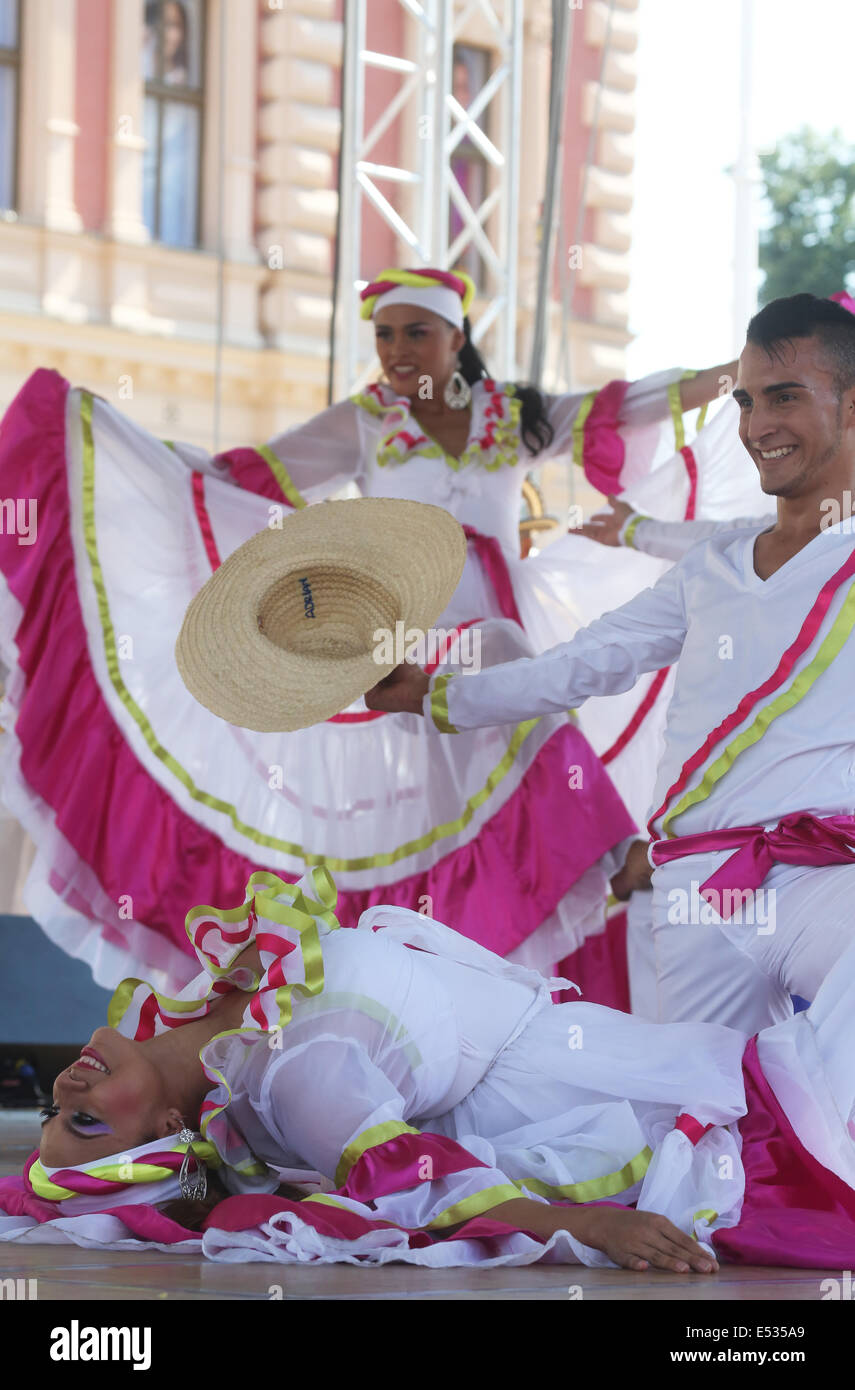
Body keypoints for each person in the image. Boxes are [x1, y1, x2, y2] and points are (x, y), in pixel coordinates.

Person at [0, 267, 740, 999]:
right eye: (384, 335)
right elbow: (245, 475)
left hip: (493, 628)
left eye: (415, 332)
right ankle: (420, 973)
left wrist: (734, 374)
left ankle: (599, 862)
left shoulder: (512, 413)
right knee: (438, 814)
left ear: (456, 337)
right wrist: (135, 454)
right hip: (396, 645)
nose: (397, 349)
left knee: (510, 683)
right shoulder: (364, 422)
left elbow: (621, 405)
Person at [367, 293, 855, 1033]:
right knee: (700, 1118)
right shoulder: (713, 565)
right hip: (698, 887)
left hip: (824, 878)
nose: (757, 426)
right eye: (747, 402)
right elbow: (583, 661)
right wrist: (437, 697)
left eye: (785, 398)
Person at [3, 865, 855, 1271]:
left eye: (53, 1103)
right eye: (84, 1120)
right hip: (591, 1101)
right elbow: (417, 1181)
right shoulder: (293, 1076)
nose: (68, 1087)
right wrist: (588, 1227)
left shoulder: (219, 998)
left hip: (619, 1058)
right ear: (164, 1133)